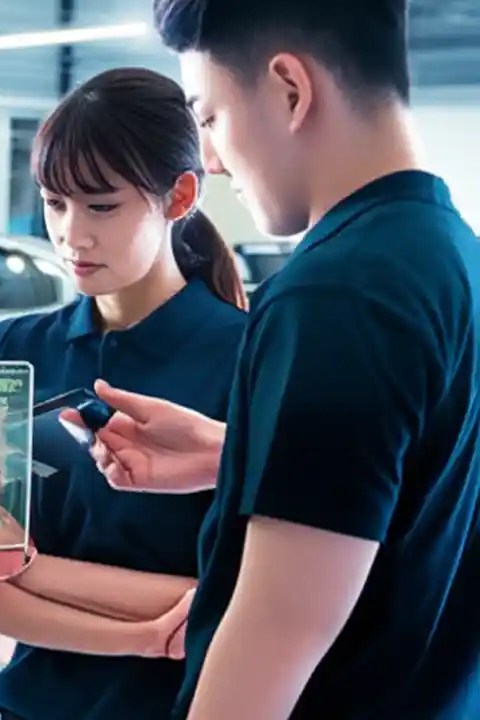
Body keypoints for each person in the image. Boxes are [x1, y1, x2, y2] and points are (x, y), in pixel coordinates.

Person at [63, 2, 480, 718]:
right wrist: (234, 455)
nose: (212, 158)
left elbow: (273, 641)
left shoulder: (335, 293)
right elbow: (415, 494)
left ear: (290, 90)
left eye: (211, 117)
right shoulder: (453, 256)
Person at [0, 67, 250, 720]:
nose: (72, 234)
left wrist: (35, 572)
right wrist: (145, 635)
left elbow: (242, 599)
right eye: (54, 203)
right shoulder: (7, 352)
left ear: (179, 197)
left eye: (102, 206)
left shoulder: (252, 357)